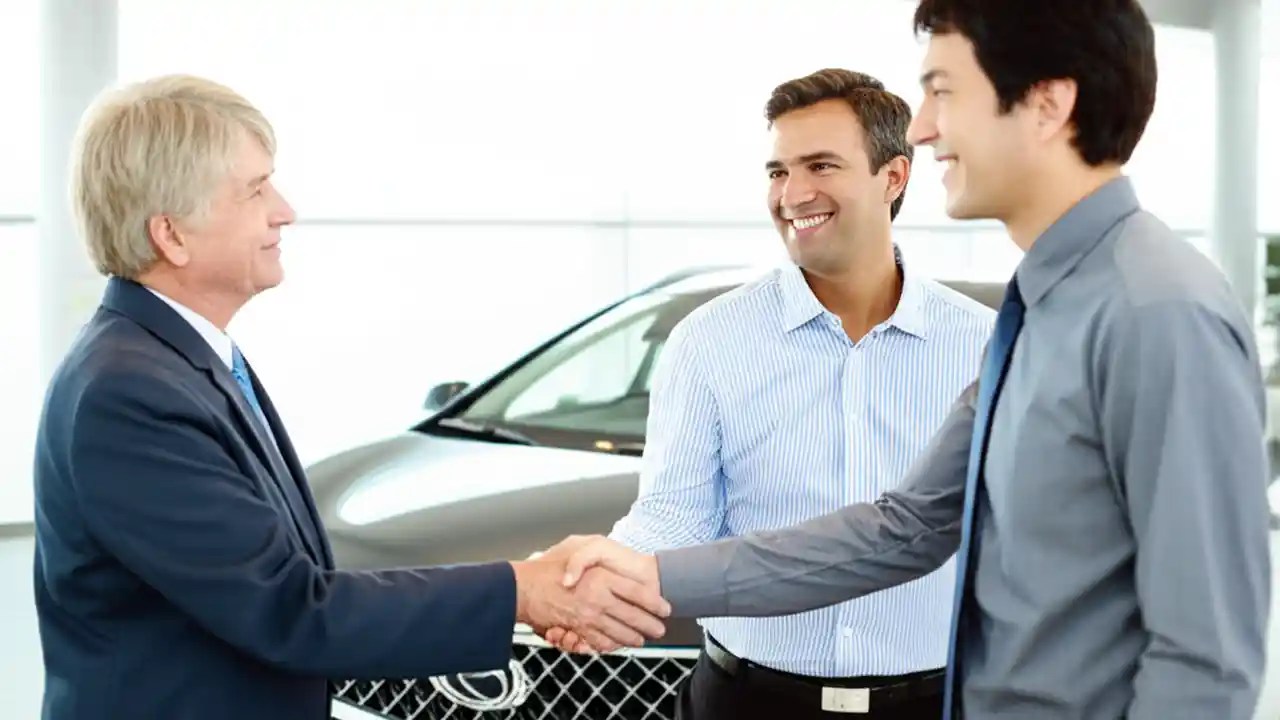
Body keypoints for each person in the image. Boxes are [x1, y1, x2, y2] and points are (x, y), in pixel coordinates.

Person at [547, 1, 1272, 718]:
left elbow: (1203, 663)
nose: (923, 128)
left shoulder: (1157, 311)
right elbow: (905, 529)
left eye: (943, 92)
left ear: (1046, 105)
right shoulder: (1043, 307)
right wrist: (643, 575)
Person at [31, 74, 669, 720]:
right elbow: (290, 610)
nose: (284, 210)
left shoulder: (177, 359)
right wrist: (521, 591)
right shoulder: (129, 395)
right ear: (170, 235)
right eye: (255, 190)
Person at [551, 69, 993, 719]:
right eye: (778, 171)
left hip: (937, 701)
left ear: (894, 177)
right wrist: (596, 582)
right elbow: (674, 516)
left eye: (820, 166)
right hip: (746, 700)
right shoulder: (709, 339)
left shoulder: (984, 344)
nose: (792, 194)